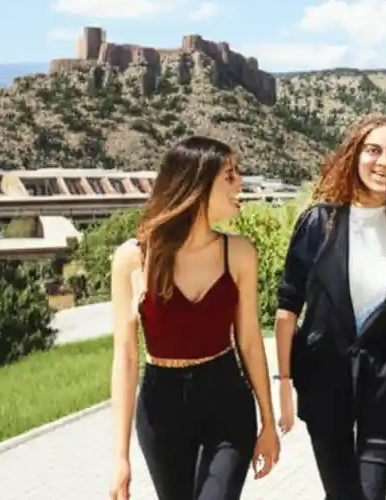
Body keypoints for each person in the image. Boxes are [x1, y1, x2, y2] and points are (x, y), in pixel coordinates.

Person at [274, 115, 386, 500]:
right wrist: (284, 383)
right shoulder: (318, 223)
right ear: (354, 155)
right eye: (374, 150)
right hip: (322, 381)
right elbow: (288, 309)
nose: (384, 162)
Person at [109, 136, 280, 500]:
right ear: (197, 184)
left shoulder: (239, 253)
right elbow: (124, 358)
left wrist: (268, 420)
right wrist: (120, 458)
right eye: (230, 176)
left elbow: (249, 341)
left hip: (226, 400)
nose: (240, 185)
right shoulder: (133, 259)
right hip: (161, 408)